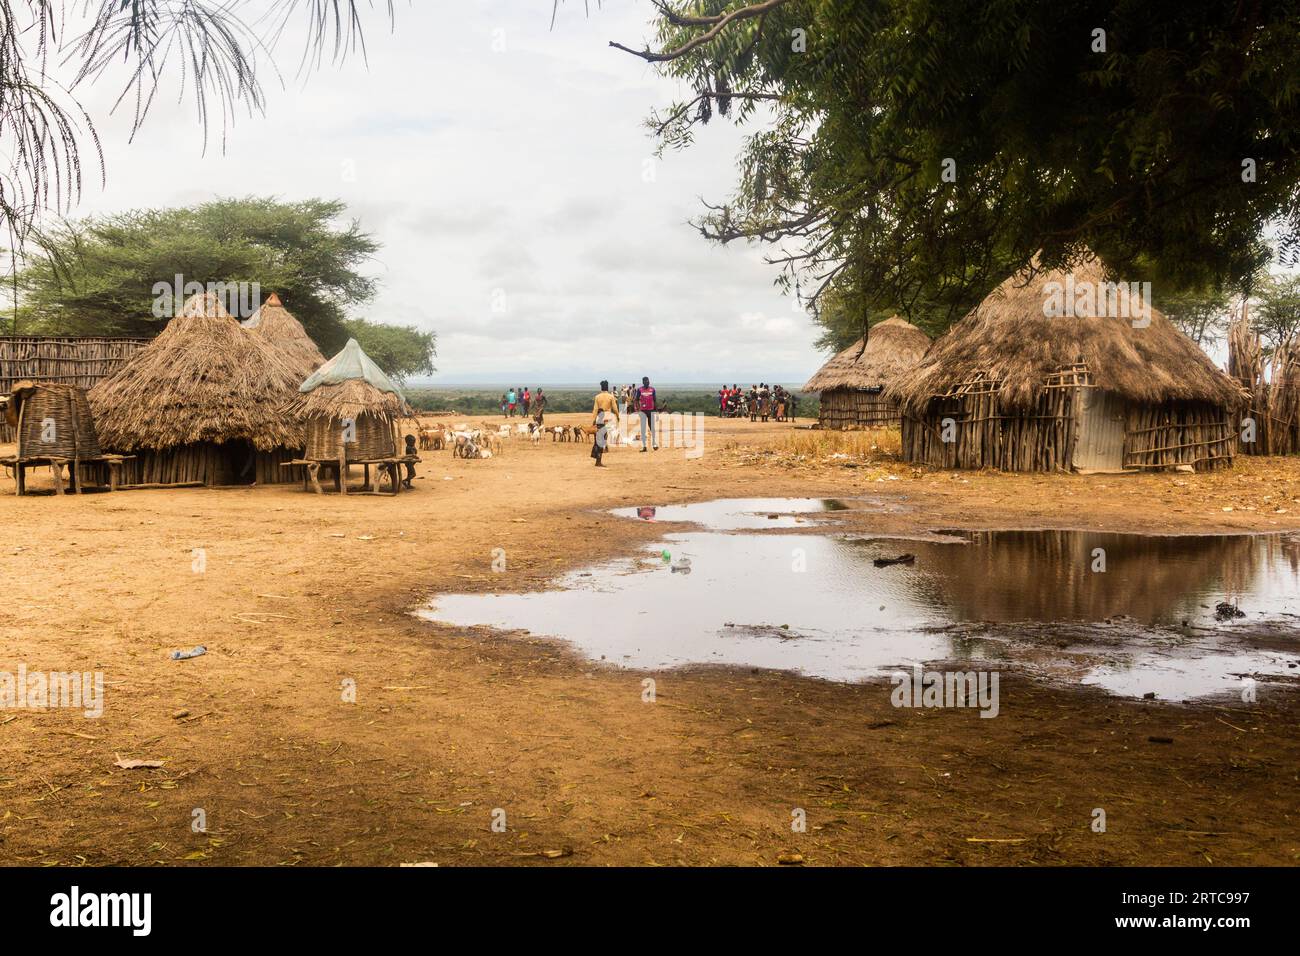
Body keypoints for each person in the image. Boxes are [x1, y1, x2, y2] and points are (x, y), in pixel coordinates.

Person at [591, 380, 619, 467]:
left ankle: (598, 459)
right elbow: (614, 408)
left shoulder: (597, 397)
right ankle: (598, 461)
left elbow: (595, 409)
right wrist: (618, 416)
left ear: (601, 387)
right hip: (608, 418)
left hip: (599, 418)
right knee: (603, 438)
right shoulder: (611, 397)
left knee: (599, 438)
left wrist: (593, 419)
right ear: (607, 387)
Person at [635, 376, 658, 452]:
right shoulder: (640, 390)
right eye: (646, 381)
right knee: (643, 429)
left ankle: (654, 444)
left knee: (652, 428)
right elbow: (636, 400)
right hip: (643, 411)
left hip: (651, 411)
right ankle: (644, 447)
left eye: (648, 381)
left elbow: (655, 400)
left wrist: (656, 411)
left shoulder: (652, 389)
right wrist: (638, 409)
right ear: (643, 382)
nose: (647, 382)